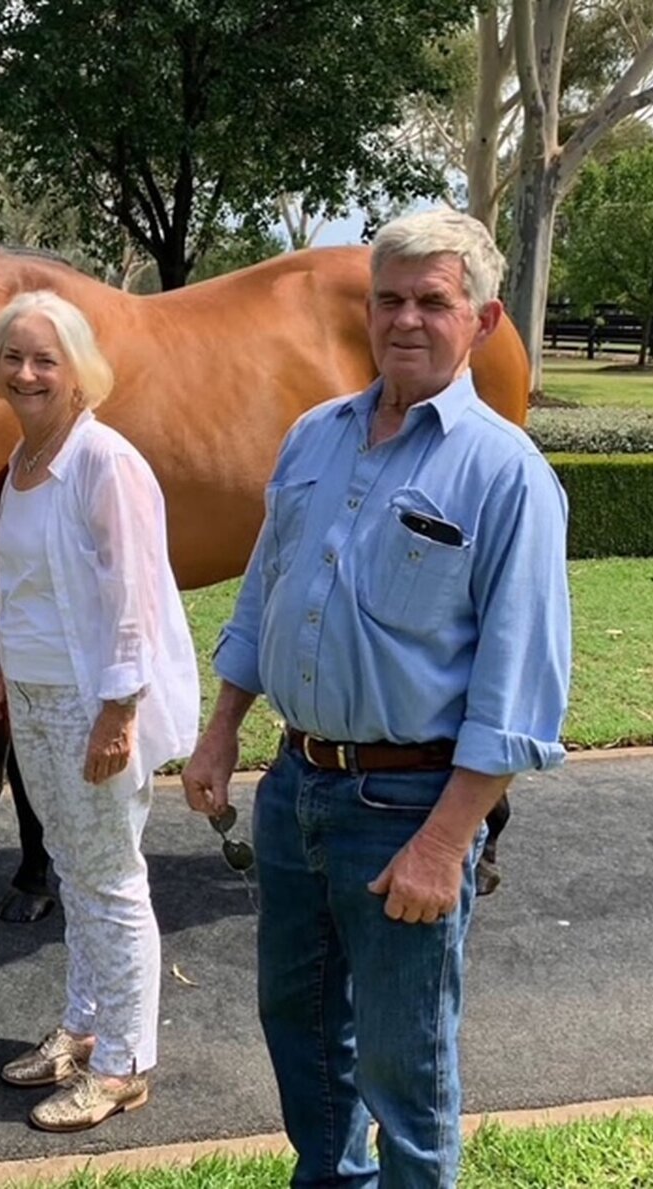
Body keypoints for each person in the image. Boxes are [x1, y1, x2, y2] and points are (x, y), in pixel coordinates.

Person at [181, 210, 571, 1188]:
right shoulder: (317, 435)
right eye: (388, 299)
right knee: (302, 1032)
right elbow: (266, 589)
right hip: (296, 790)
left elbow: (519, 686)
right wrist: (222, 729)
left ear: (480, 321)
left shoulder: (505, 474)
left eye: (431, 302)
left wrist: (446, 843)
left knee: (408, 1067)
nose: (404, 320)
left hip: (408, 808)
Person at [0, 289, 200, 1132]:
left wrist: (119, 711)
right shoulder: (24, 460)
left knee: (110, 877)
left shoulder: (106, 462)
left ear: (79, 371)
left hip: (95, 702)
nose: (28, 373)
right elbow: (28, 585)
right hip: (35, 694)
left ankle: (125, 1062)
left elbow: (134, 598)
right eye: (14, 356)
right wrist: (6, 661)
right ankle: (82, 1026)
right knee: (70, 867)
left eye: (46, 359)